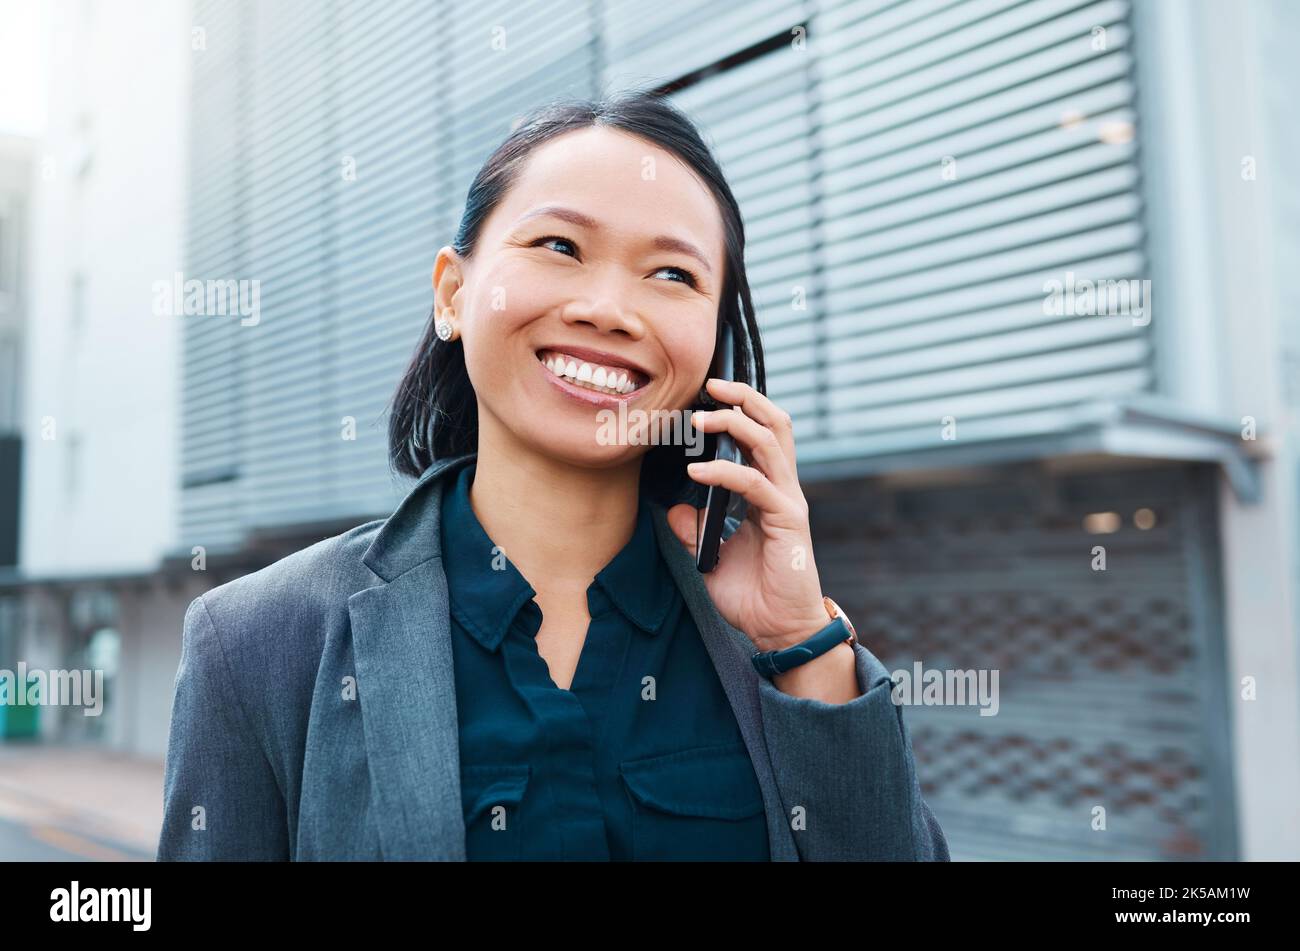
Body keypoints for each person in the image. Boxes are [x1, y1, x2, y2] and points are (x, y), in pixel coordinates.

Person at [156, 88, 949, 861]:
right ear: (453, 293)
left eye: (672, 274)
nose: (609, 308)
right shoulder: (257, 641)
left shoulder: (769, 641)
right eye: (559, 247)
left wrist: (801, 641)